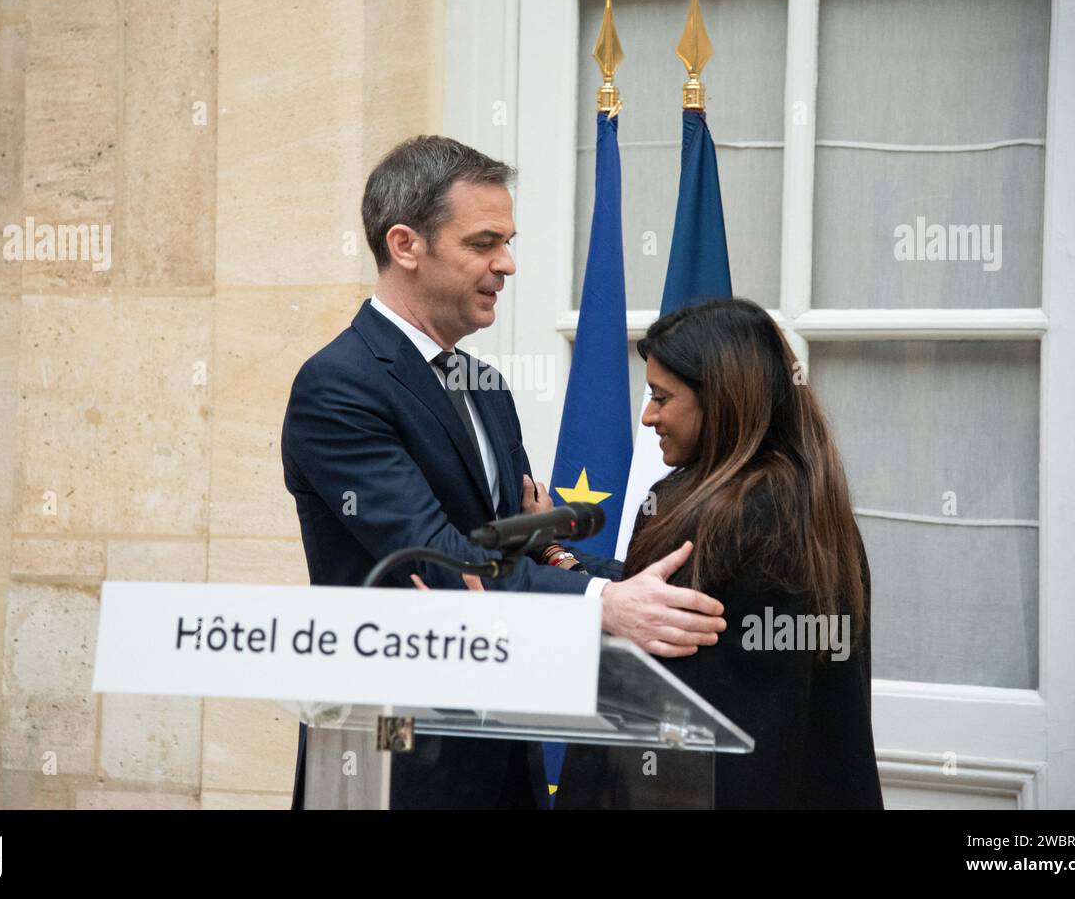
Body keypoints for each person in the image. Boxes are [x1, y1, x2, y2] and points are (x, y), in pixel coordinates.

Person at [281, 135, 728, 810]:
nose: (507, 263)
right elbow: (439, 559)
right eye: (483, 243)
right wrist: (604, 605)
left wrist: (658, 583)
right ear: (406, 245)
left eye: (507, 240)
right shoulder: (337, 386)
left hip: (499, 749)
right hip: (395, 759)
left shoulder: (484, 384)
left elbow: (519, 548)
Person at [555, 298, 884, 809]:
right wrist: (567, 564)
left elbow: (653, 667)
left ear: (724, 399)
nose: (648, 417)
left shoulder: (731, 516)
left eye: (662, 397)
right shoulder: (806, 499)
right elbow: (668, 601)